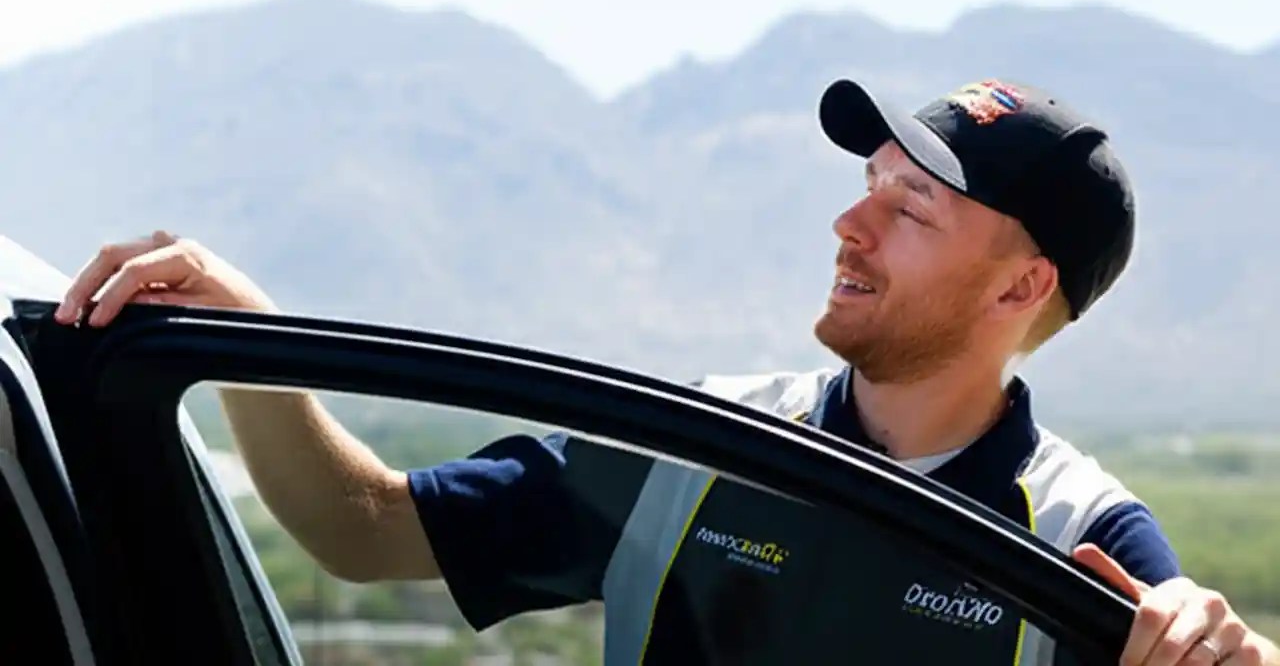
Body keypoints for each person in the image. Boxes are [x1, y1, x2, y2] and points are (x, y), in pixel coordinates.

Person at [54, 77, 1279, 666]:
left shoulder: (1084, 540)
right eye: (864, 193)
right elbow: (361, 529)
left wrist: (1225, 651)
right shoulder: (696, 447)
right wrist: (253, 336)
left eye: (909, 209)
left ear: (1020, 288)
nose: (848, 229)